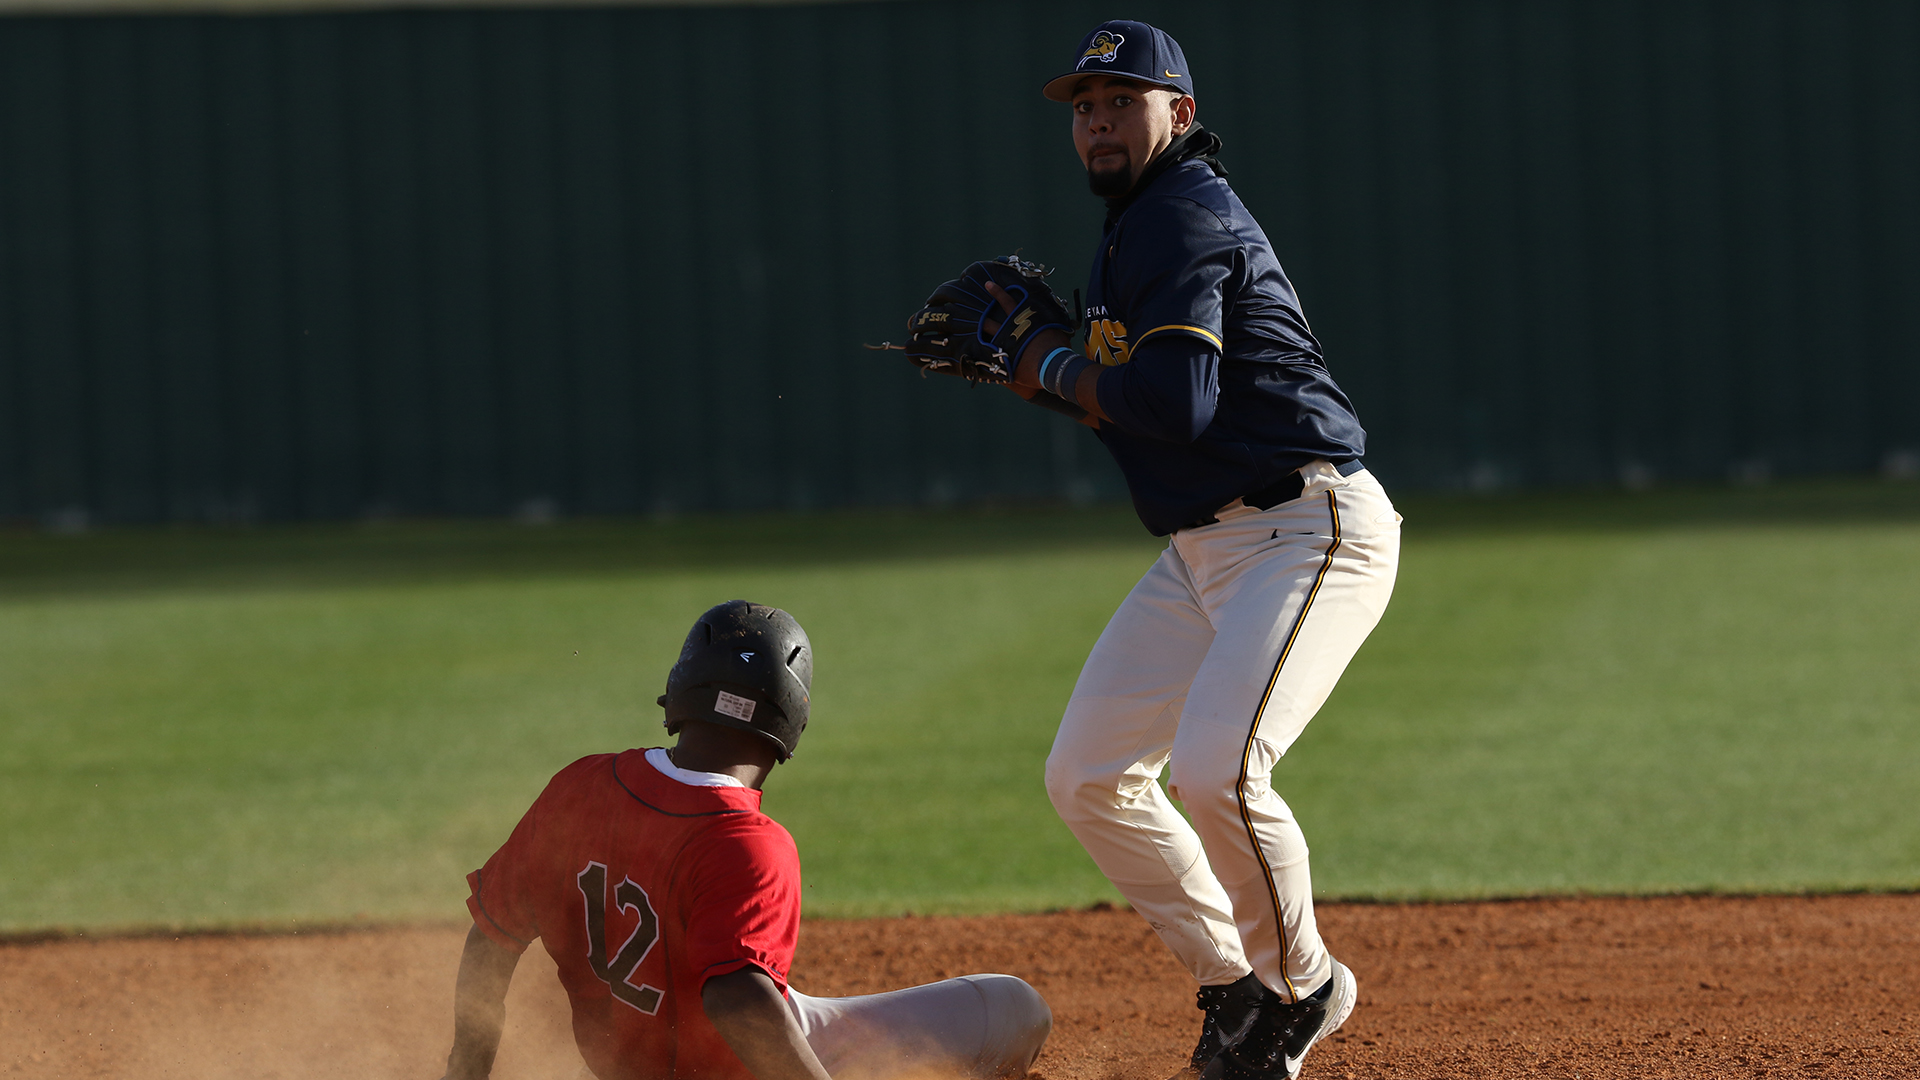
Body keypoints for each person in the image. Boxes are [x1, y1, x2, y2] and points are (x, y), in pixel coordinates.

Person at [984, 20, 1402, 1080]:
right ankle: (1232, 986)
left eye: (1122, 101)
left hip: (1308, 532)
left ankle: (1302, 989)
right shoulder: (1135, 228)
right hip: (1205, 548)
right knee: (1088, 774)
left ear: (1182, 114)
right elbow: (1150, 412)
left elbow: (1173, 399)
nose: (1097, 123)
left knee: (1220, 769)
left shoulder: (1183, 217)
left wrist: (1050, 362)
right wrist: (1051, 373)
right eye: (1085, 106)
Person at [441, 600, 1052, 1080]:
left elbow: (492, 941)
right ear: (791, 721)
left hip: (618, 1066)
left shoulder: (579, 786)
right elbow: (739, 999)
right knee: (1016, 1008)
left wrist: (462, 1076)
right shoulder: (749, 842)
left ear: (679, 695)